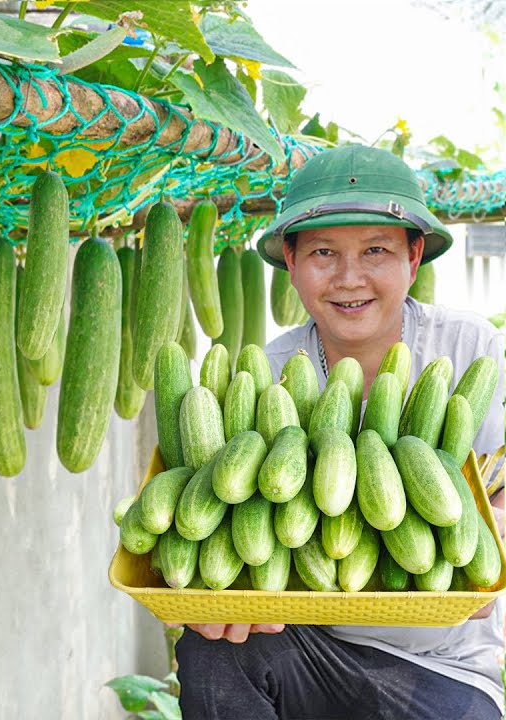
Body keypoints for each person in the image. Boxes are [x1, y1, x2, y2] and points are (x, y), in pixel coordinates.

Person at [175, 144, 506, 719]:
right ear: (293, 263)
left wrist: (491, 537)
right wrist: (209, 589)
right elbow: (224, 505)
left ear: (413, 256)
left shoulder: (470, 350)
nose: (348, 278)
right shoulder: (267, 374)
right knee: (212, 652)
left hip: (441, 663)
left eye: (375, 250)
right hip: (303, 640)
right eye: (324, 252)